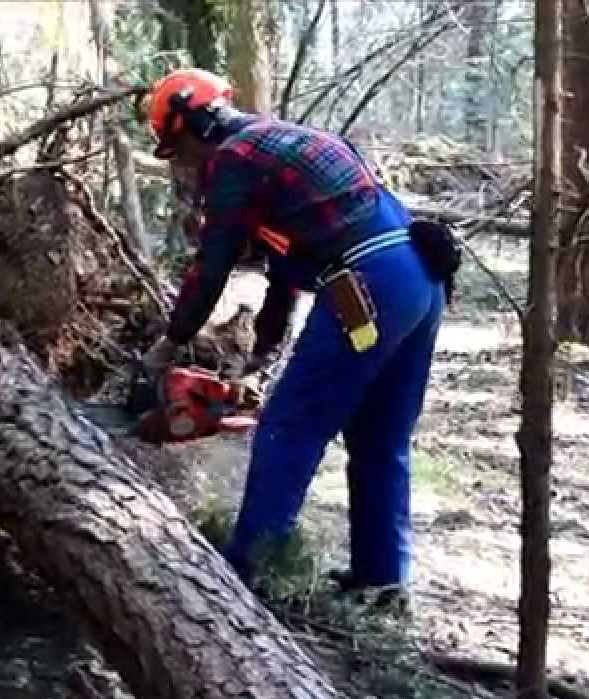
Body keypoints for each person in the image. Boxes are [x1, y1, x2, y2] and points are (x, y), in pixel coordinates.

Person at [138, 68, 451, 600]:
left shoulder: (234, 160)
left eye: (180, 148)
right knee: (380, 438)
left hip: (369, 282)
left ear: (195, 124)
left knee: (289, 427)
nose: (186, 164)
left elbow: (212, 263)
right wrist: (261, 353)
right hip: (421, 277)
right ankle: (383, 578)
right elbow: (284, 274)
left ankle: (249, 572)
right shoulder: (286, 145)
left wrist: (172, 339)